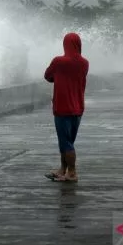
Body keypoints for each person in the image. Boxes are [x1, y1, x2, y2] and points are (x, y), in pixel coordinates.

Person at [44, 32, 89, 182]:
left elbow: (47, 76)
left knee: (65, 142)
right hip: (78, 108)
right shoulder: (85, 63)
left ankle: (72, 173)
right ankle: (63, 169)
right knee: (68, 141)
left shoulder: (58, 61)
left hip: (63, 107)